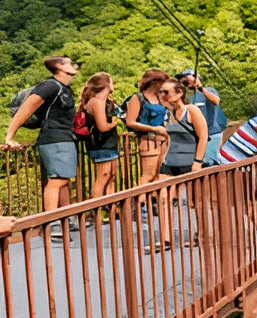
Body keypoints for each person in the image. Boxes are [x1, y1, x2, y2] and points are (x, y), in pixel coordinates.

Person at [2, 56, 79, 213]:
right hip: (54, 140)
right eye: (70, 63)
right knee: (57, 180)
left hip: (63, 138)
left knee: (63, 180)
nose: (74, 66)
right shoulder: (50, 86)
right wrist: (10, 136)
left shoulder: (64, 88)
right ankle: (51, 221)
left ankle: (67, 217)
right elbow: (26, 108)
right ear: (60, 67)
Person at [80, 71, 122, 199]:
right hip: (101, 145)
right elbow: (102, 127)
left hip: (108, 144)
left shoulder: (104, 101)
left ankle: (111, 209)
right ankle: (96, 212)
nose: (113, 83)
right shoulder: (97, 101)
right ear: (105, 84)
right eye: (111, 81)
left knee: (111, 177)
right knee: (102, 179)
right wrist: (114, 124)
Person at [125, 69, 170, 185]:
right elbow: (130, 122)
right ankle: (141, 201)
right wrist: (154, 129)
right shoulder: (138, 98)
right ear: (154, 82)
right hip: (148, 140)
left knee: (160, 175)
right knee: (148, 175)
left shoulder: (161, 98)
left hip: (164, 140)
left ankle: (154, 201)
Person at [158, 79, 209, 176]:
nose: (162, 95)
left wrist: (198, 161)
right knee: (163, 189)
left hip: (189, 163)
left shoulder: (191, 110)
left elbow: (203, 136)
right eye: (160, 92)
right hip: (169, 163)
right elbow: (168, 139)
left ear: (179, 93)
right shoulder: (169, 113)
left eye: (166, 92)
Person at [178, 69, 225, 166]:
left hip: (213, 134)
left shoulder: (209, 90)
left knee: (210, 163)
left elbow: (216, 101)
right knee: (203, 163)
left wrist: (200, 87)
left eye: (187, 79)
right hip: (199, 137)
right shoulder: (190, 99)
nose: (185, 83)